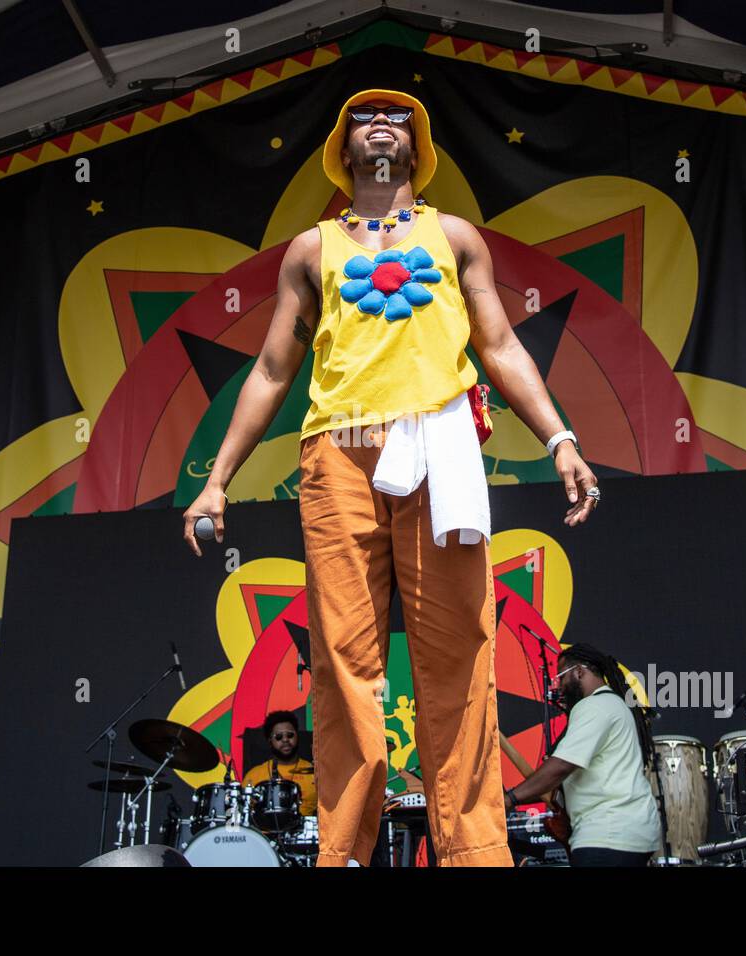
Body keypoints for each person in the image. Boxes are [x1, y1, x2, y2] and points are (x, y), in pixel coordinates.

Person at [184, 89, 600, 866]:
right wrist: (217, 479)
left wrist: (560, 438)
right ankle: (342, 853)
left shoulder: (453, 237)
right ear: (342, 147)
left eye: (401, 116)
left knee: (460, 657)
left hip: (438, 446)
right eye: (365, 115)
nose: (383, 122)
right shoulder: (311, 249)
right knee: (343, 661)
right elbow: (274, 367)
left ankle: (475, 854)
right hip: (339, 452)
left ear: (419, 146)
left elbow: (502, 345)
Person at [504, 644, 661, 866]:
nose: (558, 684)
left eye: (561, 676)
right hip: (626, 833)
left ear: (579, 672)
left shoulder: (594, 705)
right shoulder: (612, 704)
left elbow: (560, 766)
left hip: (608, 835)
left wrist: (510, 799)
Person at [241, 710, 317, 816]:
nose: (285, 739)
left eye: (290, 735)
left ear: (297, 736)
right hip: (265, 831)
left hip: (306, 830)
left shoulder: (316, 773)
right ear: (270, 741)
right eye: (278, 737)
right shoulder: (254, 776)